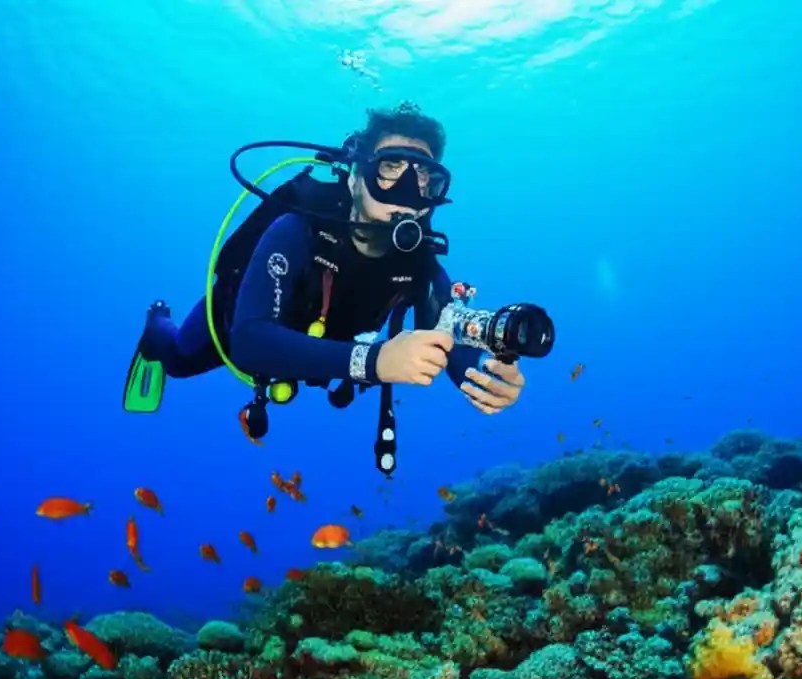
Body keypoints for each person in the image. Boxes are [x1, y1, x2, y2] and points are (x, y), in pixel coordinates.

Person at [123, 102, 549, 475]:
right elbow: (249, 343)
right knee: (177, 358)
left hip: (322, 350)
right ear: (354, 178)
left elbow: (449, 335)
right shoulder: (299, 227)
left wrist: (487, 374)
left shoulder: (419, 262)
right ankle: (156, 324)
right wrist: (376, 361)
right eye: (389, 168)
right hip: (238, 317)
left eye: (424, 179)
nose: (407, 191)